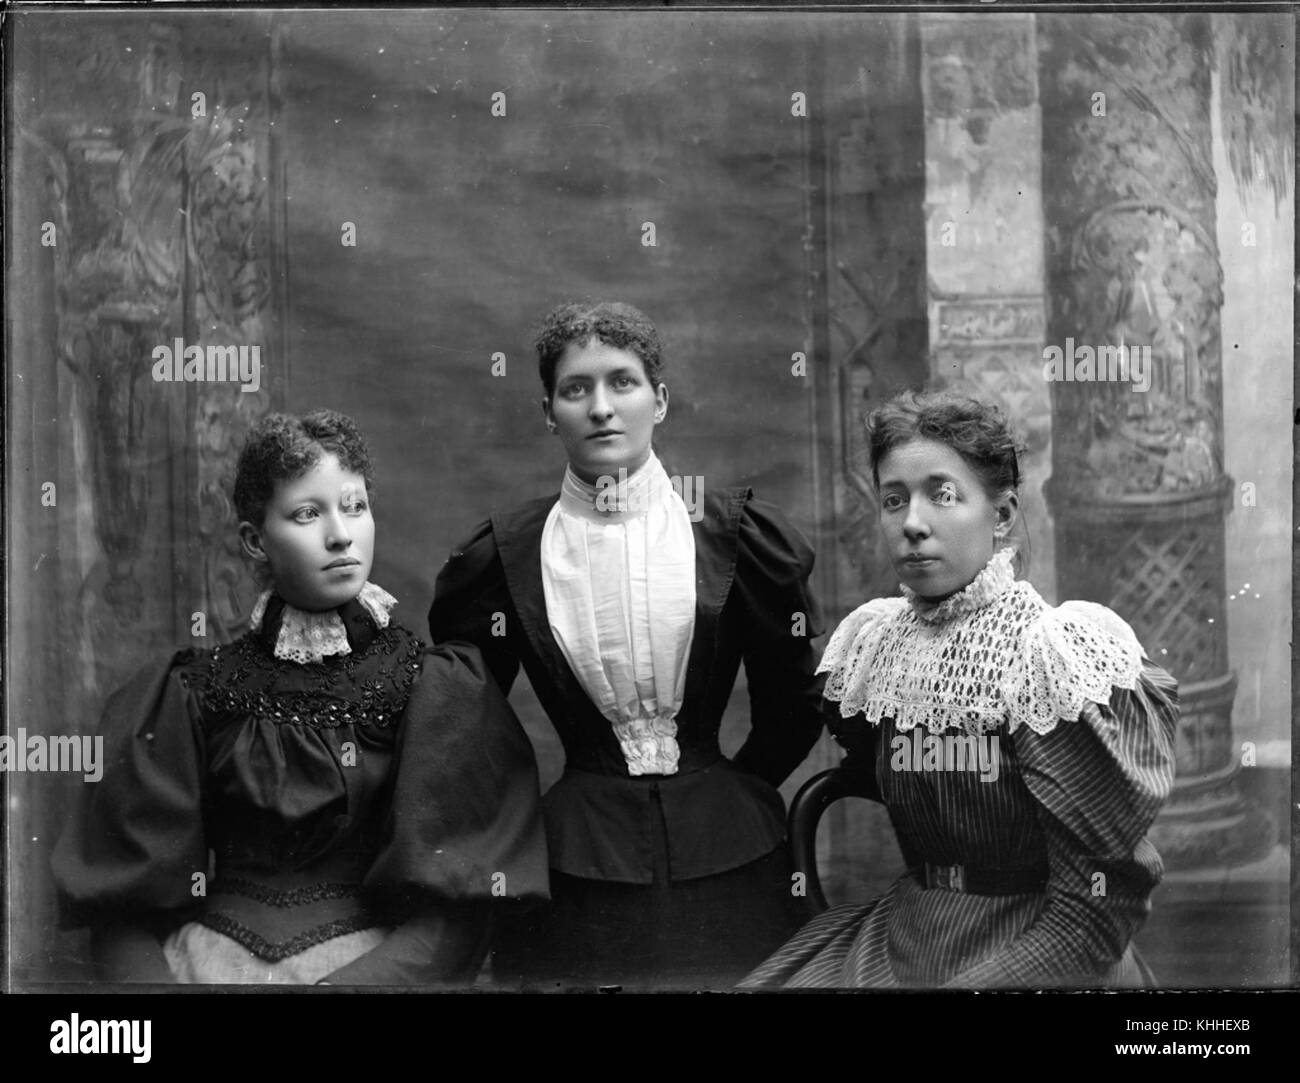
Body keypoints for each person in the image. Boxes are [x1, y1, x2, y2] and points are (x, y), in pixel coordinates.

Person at [52, 410, 547, 984]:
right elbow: (121, 914)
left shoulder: (431, 687)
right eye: (308, 514)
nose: (340, 534)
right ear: (254, 540)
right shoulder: (193, 690)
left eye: (355, 507)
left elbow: (456, 917)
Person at [429, 301, 825, 989]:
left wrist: (727, 786)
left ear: (660, 400)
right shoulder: (512, 551)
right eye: (576, 389)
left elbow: (793, 703)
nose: (601, 407)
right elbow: (465, 721)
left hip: (732, 854)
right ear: (549, 412)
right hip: (575, 866)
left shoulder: (733, 535)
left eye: (623, 382)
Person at [741, 390, 1179, 989]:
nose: (913, 523)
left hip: (1040, 949)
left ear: (1000, 516)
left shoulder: (1051, 659)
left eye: (942, 495)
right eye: (894, 500)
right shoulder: (877, 645)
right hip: (905, 934)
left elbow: (1095, 914)